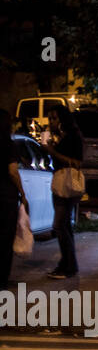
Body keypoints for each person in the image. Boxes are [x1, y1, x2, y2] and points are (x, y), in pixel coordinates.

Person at [44, 105, 84, 279]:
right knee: (64, 225)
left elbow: (76, 162)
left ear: (62, 119)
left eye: (54, 118)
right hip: (61, 182)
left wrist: (51, 150)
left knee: (60, 225)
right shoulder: (63, 136)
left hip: (67, 184)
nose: (51, 122)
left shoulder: (73, 136)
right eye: (49, 118)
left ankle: (67, 267)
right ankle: (67, 264)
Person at [0, 109, 27, 288]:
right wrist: (23, 193)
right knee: (4, 239)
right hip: (5, 197)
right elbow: (12, 171)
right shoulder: (8, 144)